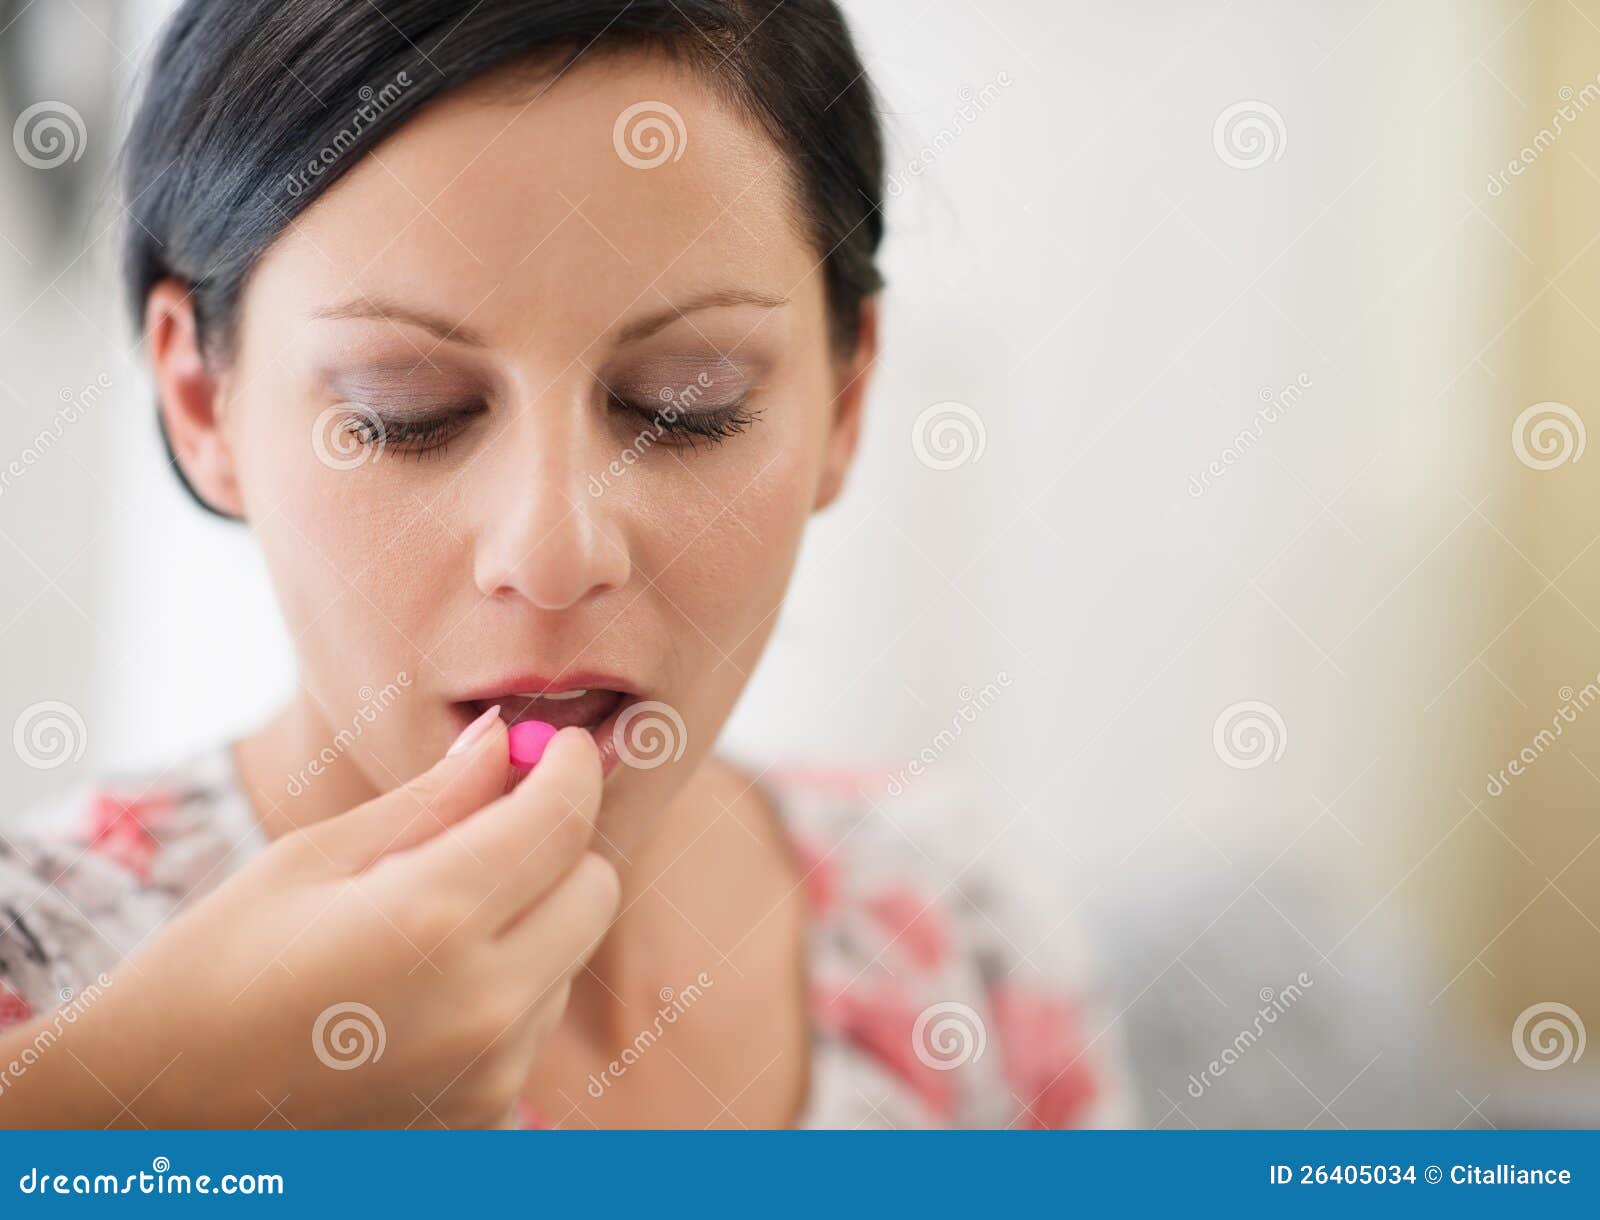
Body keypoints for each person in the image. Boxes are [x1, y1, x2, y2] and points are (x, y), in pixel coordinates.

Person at [0, 0, 1131, 1129]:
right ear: (202, 402)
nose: (551, 554)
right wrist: (132, 1100)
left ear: (843, 399)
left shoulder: (961, 930)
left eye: (686, 405)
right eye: (407, 412)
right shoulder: (43, 973)